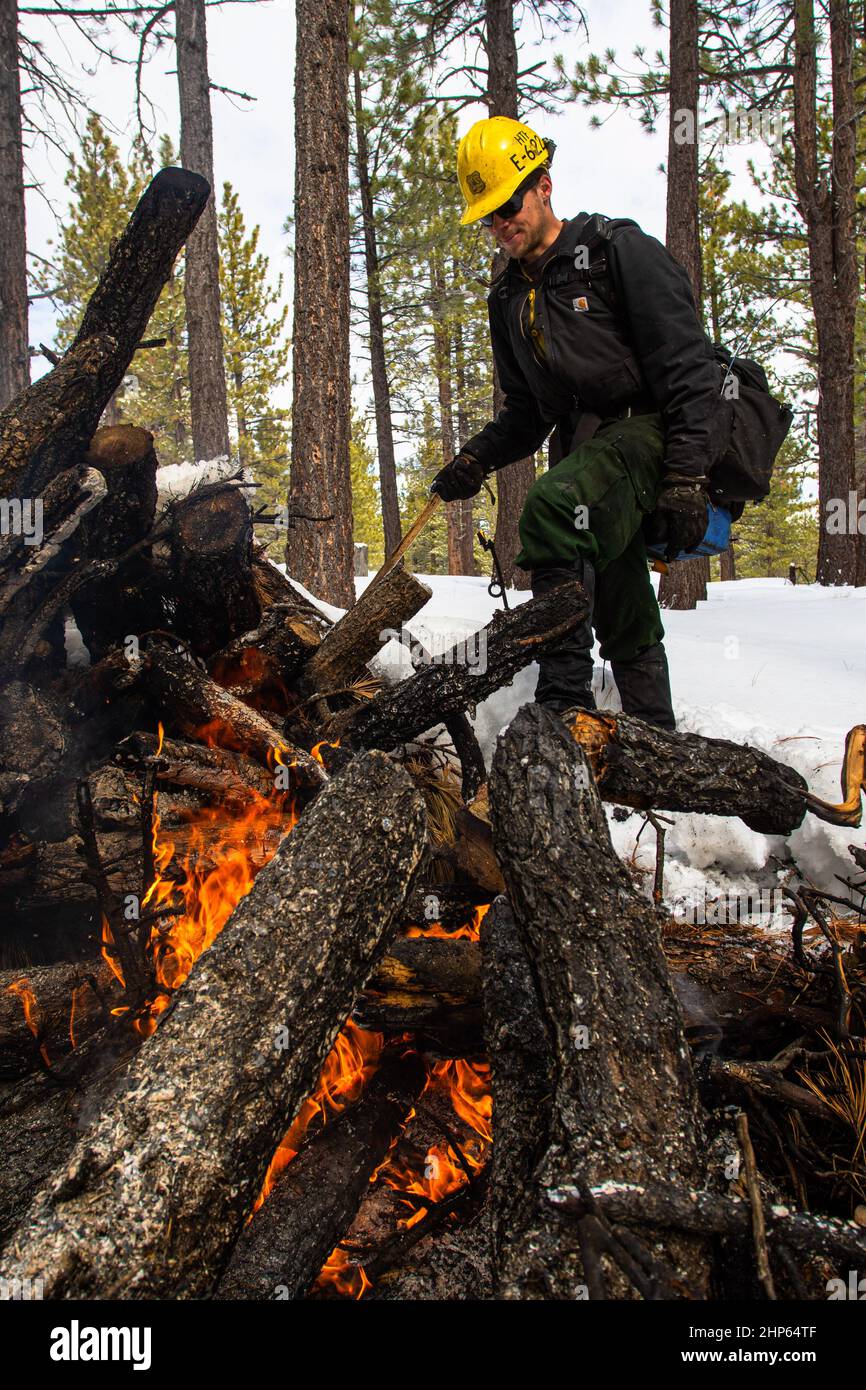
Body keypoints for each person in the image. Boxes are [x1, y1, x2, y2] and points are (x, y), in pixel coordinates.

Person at [430, 116, 732, 730]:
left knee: (550, 506)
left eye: (507, 204)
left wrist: (686, 477)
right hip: (586, 452)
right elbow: (527, 413)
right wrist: (475, 459)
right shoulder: (507, 299)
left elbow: (690, 369)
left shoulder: (617, 251)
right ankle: (654, 739)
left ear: (543, 184)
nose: (500, 225)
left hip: (650, 434)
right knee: (620, 591)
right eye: (487, 216)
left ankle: (562, 705)